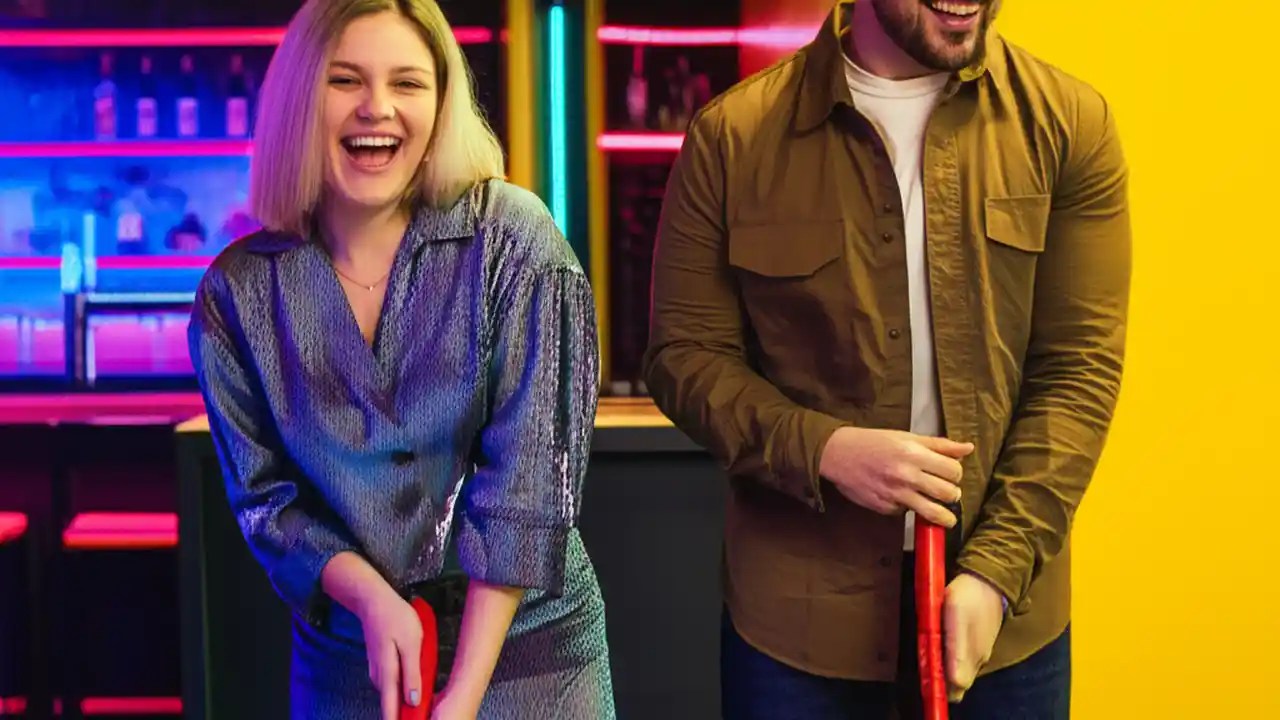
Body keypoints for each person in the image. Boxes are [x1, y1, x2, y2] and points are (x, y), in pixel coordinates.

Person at [644, 0, 1130, 718]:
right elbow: (684, 358)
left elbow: (1078, 371)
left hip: (1005, 618)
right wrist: (826, 450)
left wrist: (995, 574)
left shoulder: (1070, 124)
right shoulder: (733, 137)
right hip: (796, 627)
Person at [186, 1, 614, 718]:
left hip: (529, 653)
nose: (376, 109)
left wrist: (462, 695)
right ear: (299, 101)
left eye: (408, 84)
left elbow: (531, 492)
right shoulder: (236, 295)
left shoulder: (516, 244)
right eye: (345, 80)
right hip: (352, 658)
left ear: (442, 104)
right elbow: (266, 504)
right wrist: (368, 595)